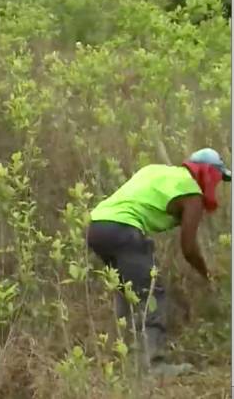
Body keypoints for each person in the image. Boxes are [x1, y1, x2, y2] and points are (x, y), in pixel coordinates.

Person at [86, 147, 231, 376]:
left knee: (129, 291)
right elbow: (189, 248)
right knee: (152, 293)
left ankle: (128, 361)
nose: (217, 184)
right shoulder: (192, 193)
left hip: (97, 227)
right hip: (125, 229)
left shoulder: (156, 171)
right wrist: (207, 274)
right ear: (207, 173)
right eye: (217, 177)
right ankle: (153, 365)